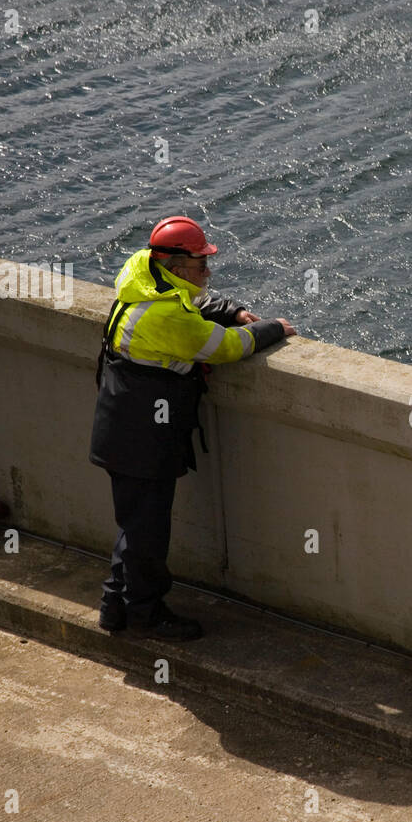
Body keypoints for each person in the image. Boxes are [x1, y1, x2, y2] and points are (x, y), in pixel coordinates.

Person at [89, 215, 296, 640]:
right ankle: (146, 616)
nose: (208, 272)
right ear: (177, 267)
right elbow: (226, 346)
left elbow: (190, 305)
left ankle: (115, 608)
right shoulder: (167, 320)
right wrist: (273, 327)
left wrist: (230, 309)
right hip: (144, 439)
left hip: (122, 425)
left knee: (134, 525)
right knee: (146, 533)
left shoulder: (141, 280)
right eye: (202, 265)